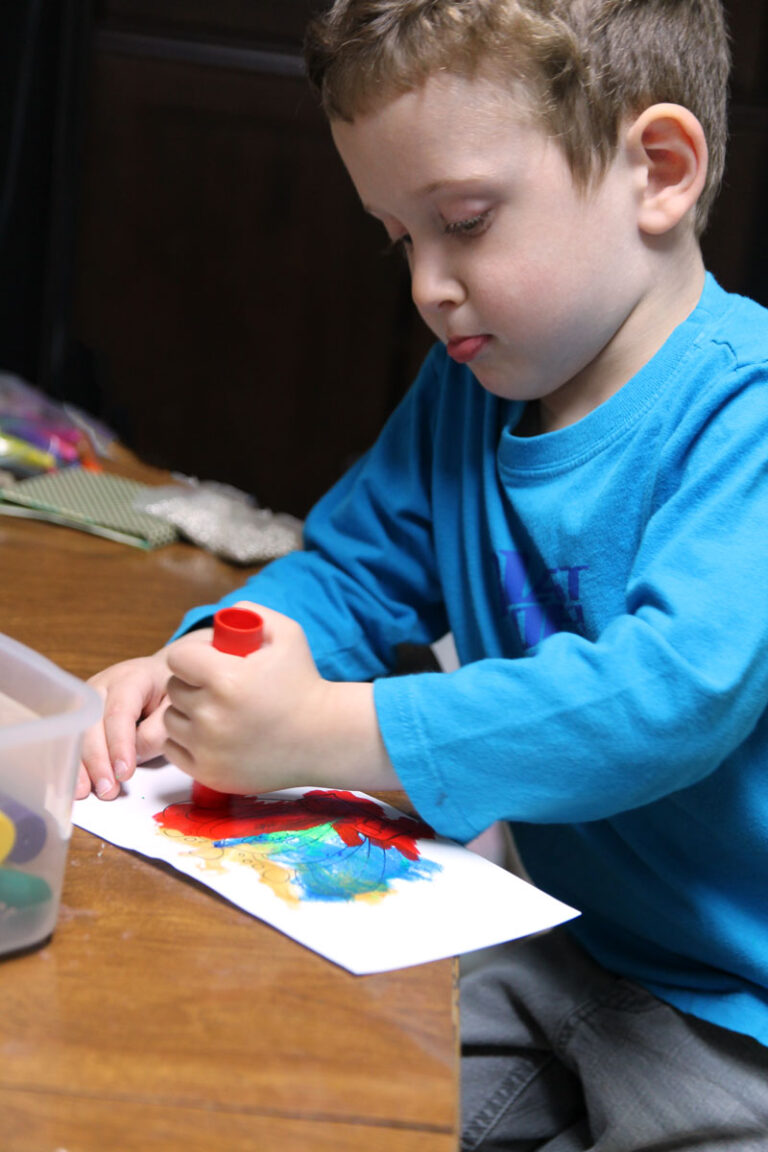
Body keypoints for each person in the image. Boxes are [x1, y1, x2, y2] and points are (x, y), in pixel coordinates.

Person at [78, 0, 768, 1146]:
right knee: (293, 1095)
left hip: (738, 1024)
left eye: (465, 221)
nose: (429, 286)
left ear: (659, 169)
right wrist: (209, 660)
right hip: (558, 942)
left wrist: (330, 732)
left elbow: (670, 695)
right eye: (401, 238)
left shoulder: (747, 413)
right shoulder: (472, 388)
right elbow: (349, 576)